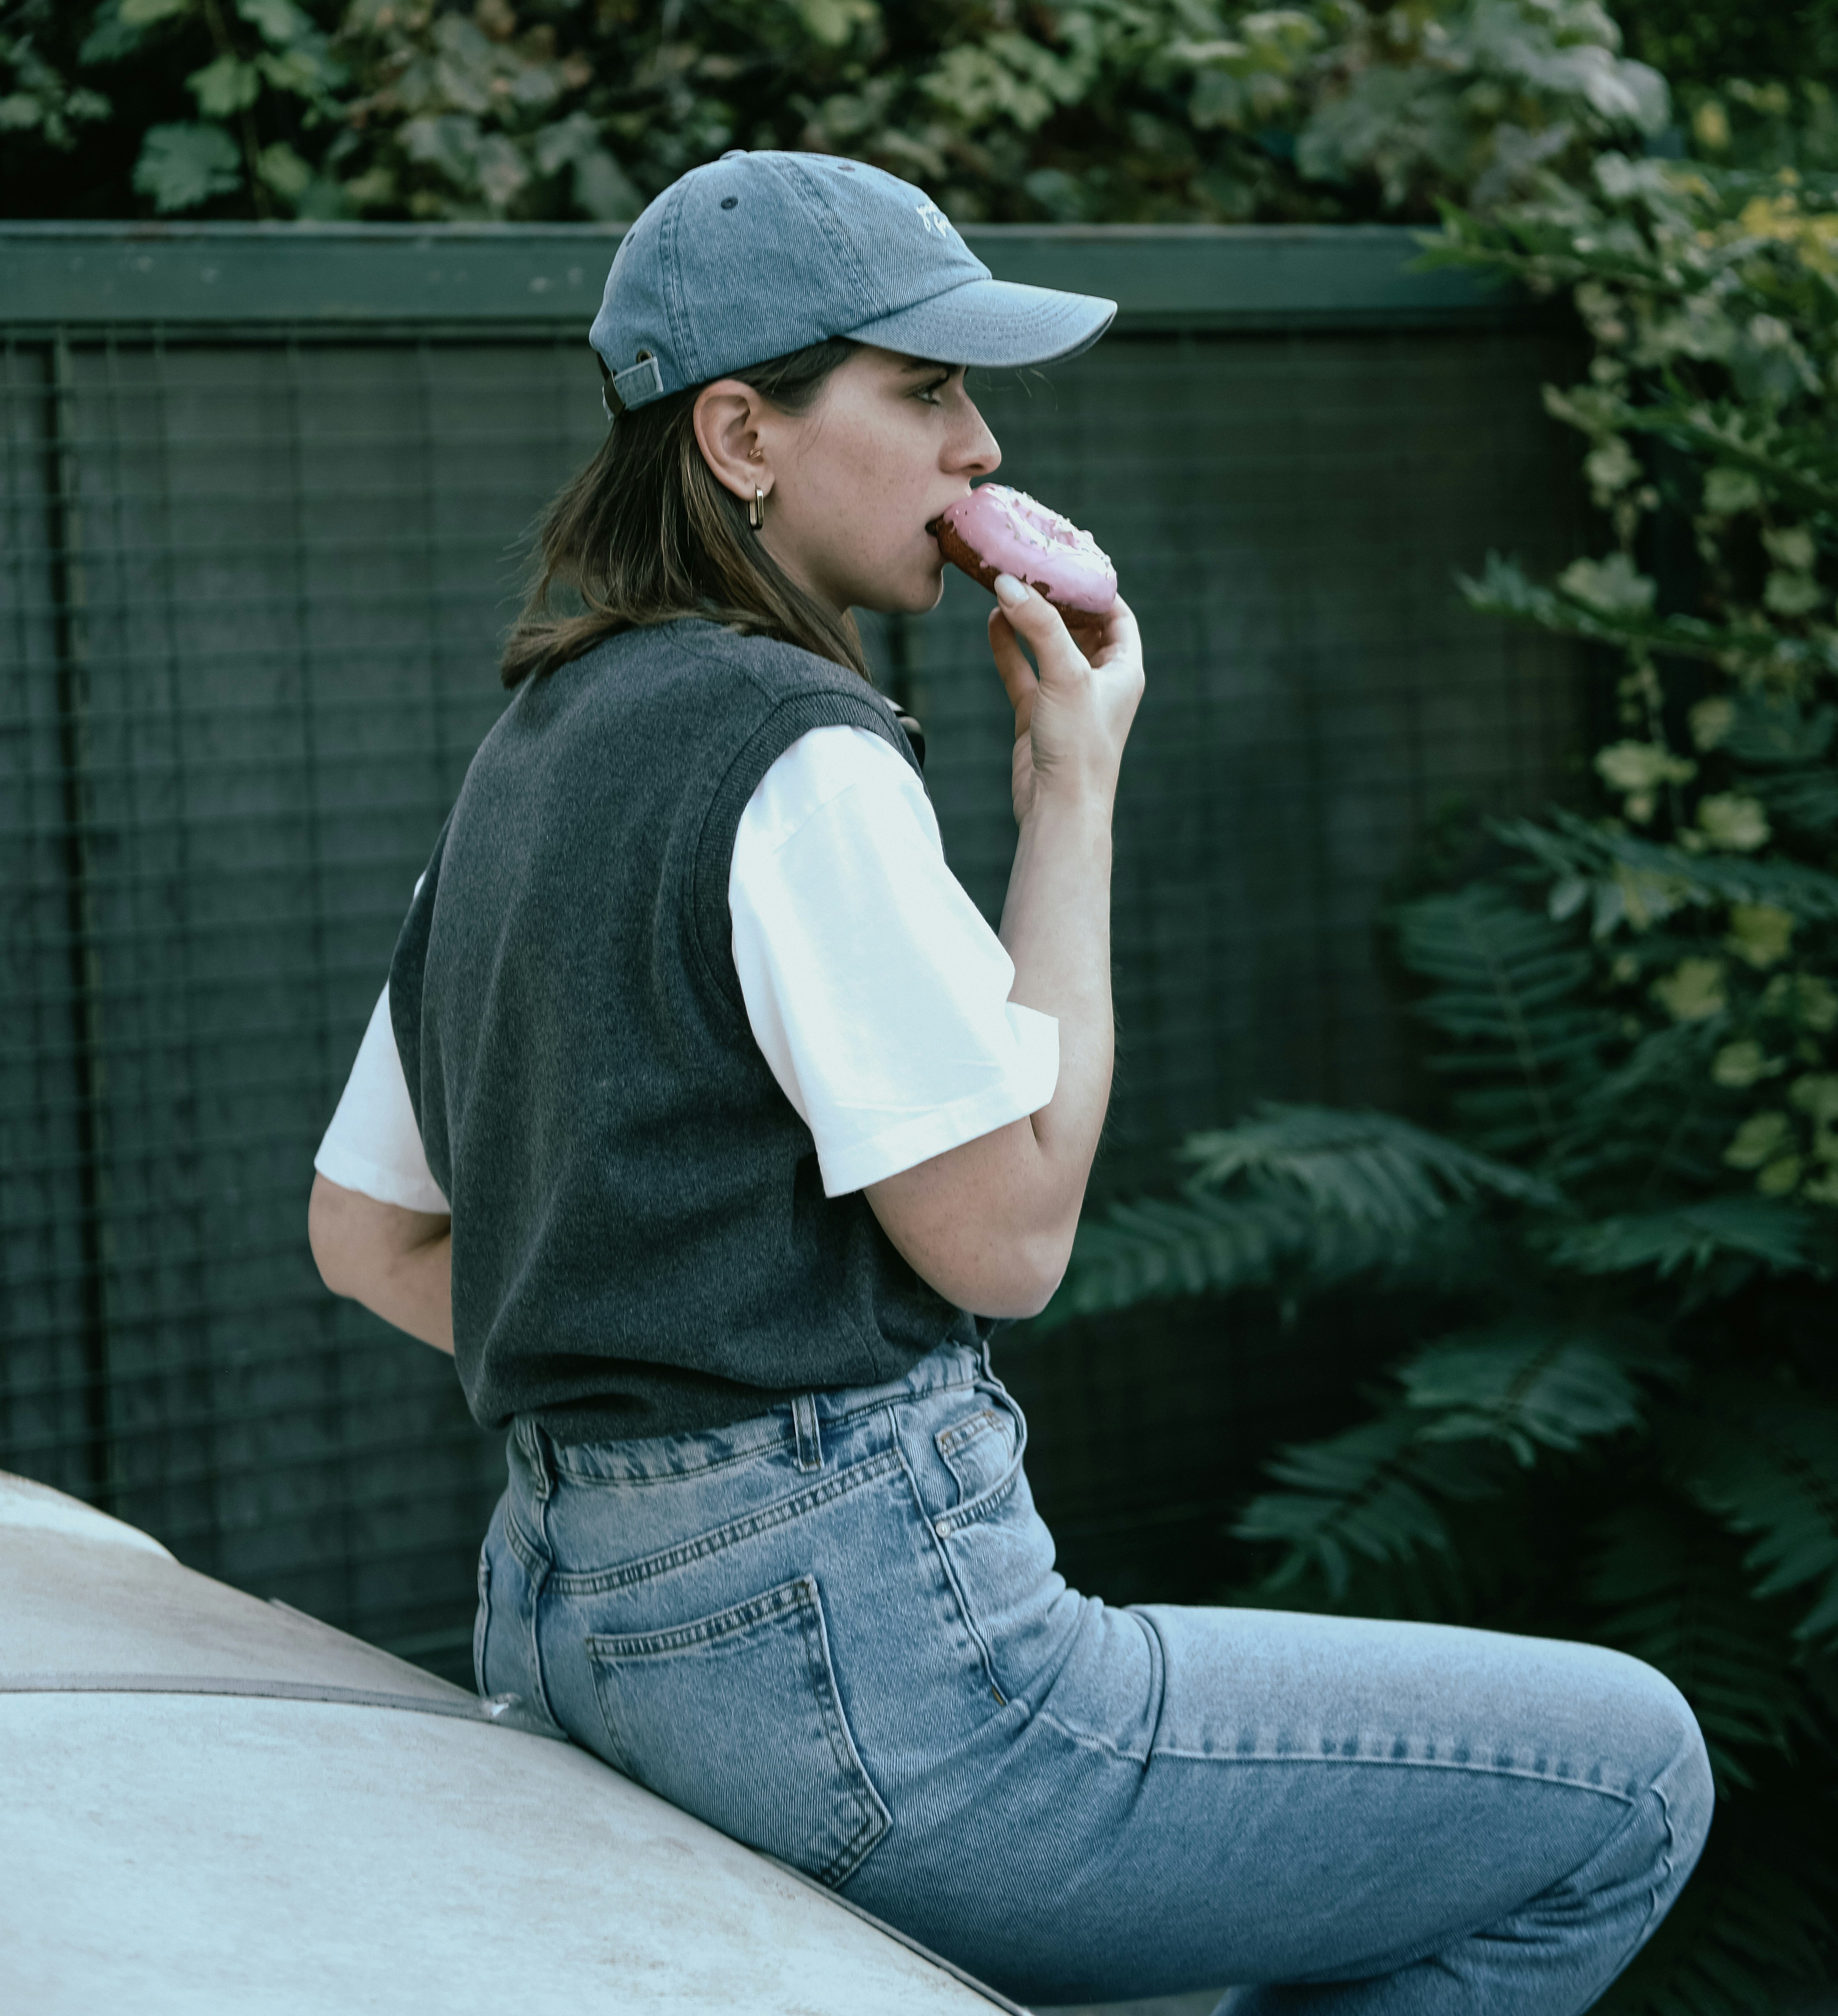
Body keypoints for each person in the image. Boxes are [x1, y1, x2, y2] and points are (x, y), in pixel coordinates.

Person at [308, 151, 1712, 2014]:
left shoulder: (528, 752)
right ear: (741, 433)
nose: (981, 444)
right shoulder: (801, 751)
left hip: (562, 1616)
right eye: (924, 389)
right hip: (860, 1681)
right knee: (1622, 1777)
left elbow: (361, 1232)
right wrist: (1071, 782)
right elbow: (1009, 1239)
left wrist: (660, 1436)